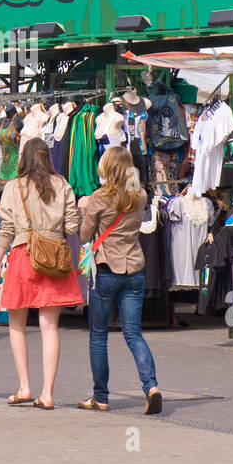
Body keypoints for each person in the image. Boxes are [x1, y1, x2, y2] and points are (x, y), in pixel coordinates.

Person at [0, 138, 82, 409]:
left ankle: (24, 387)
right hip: (54, 258)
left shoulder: (13, 187)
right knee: (50, 326)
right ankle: (48, 393)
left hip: (23, 255)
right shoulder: (63, 185)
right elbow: (73, 226)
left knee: (17, 325)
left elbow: (6, 229)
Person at [77, 146, 163, 415]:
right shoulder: (140, 195)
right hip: (134, 270)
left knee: (99, 336)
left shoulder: (99, 198)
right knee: (133, 334)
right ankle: (151, 386)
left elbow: (84, 235)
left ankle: (100, 396)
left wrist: (84, 208)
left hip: (106, 271)